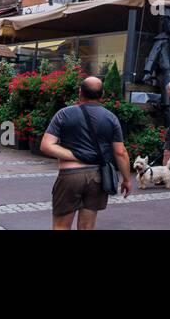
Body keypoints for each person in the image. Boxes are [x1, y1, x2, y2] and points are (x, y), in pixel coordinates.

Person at [40, 76, 131, 230]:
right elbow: (120, 152)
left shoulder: (64, 114)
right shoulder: (111, 118)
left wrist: (75, 156)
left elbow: (46, 146)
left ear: (80, 92)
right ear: (102, 95)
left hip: (70, 176)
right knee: (87, 227)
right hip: (97, 177)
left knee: (61, 226)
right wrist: (127, 180)